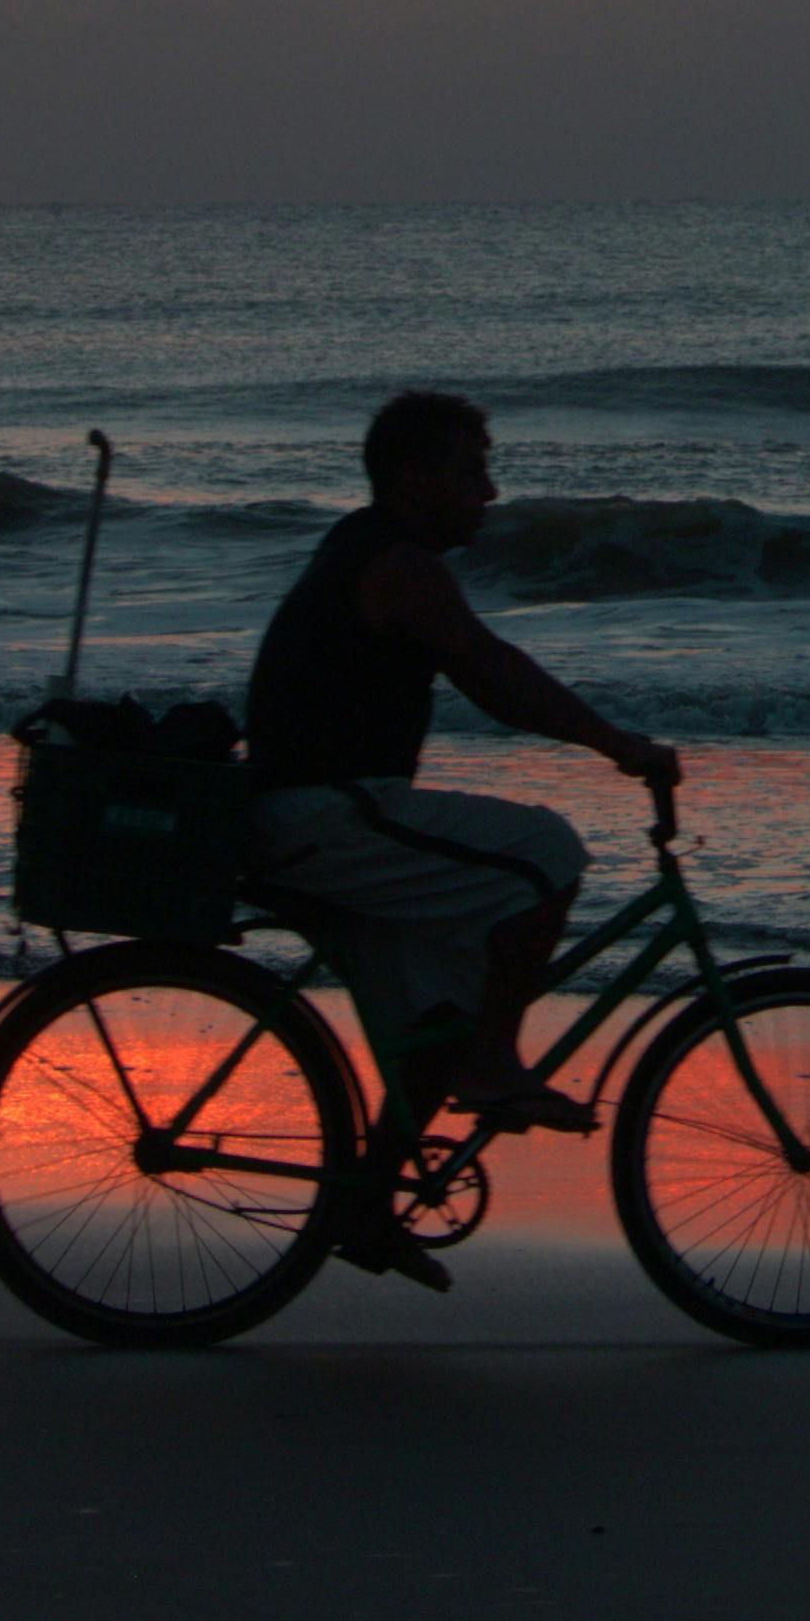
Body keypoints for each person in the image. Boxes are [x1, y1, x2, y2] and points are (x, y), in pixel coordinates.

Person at [240, 387, 679, 1289]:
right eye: (470, 470)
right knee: (546, 854)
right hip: (331, 813)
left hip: (323, 811)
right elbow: (496, 675)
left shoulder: (368, 547)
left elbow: (488, 672)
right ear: (413, 477)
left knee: (438, 1014)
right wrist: (618, 745)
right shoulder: (399, 566)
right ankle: (494, 1063)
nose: (487, 490)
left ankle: (366, 1199)